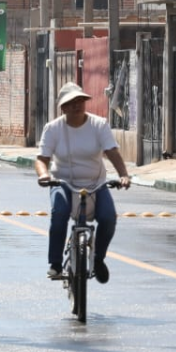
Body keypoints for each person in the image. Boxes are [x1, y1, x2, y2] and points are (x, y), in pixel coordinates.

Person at [34, 82, 131, 283]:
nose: (77, 105)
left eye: (80, 101)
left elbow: (111, 151)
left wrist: (124, 175)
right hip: (63, 182)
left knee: (109, 217)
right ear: (63, 107)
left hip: (95, 183)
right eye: (71, 102)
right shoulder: (53, 129)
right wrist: (44, 175)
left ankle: (98, 258)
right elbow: (42, 159)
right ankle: (55, 264)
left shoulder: (99, 125)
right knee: (59, 213)